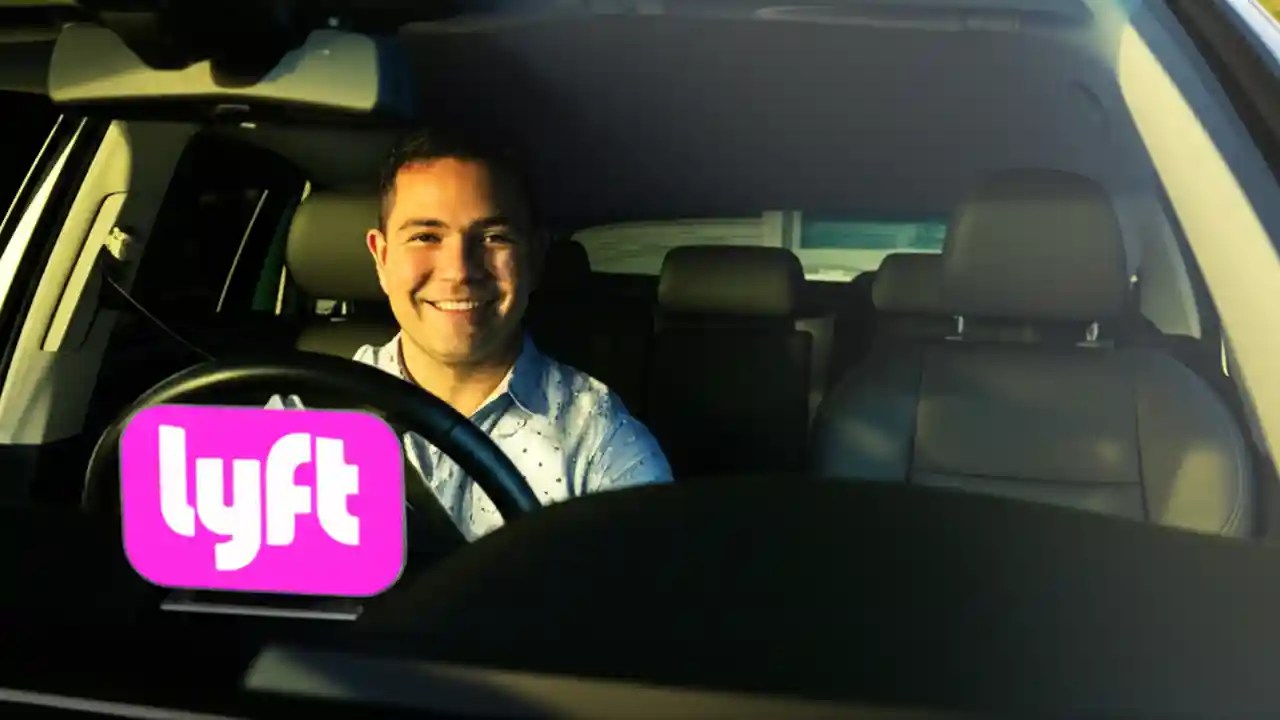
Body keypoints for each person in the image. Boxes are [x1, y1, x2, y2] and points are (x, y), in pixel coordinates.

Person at [269, 129, 672, 540]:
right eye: (426, 237)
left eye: (493, 238)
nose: (460, 270)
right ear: (382, 258)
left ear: (533, 258)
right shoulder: (299, 417)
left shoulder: (601, 443)